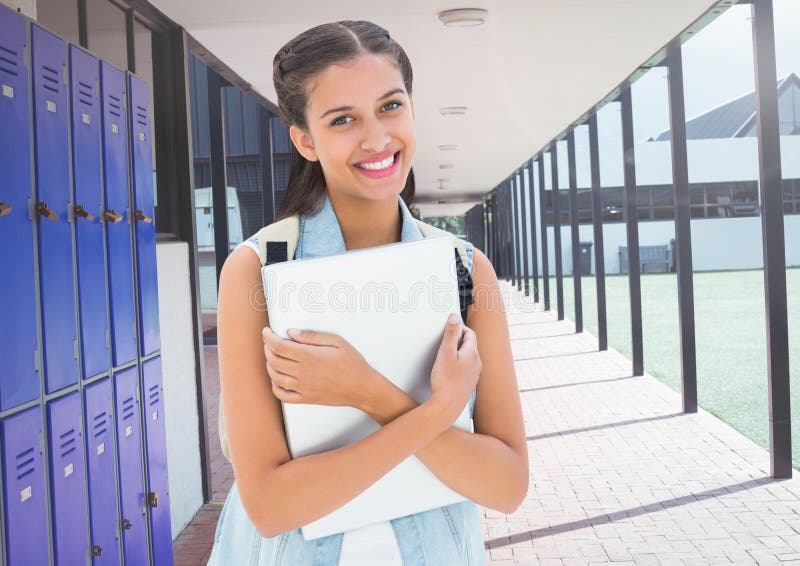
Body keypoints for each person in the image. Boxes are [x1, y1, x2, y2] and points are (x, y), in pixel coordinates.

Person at [209, 20, 528, 565]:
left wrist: (369, 393)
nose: (377, 138)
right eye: (343, 119)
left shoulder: (465, 272)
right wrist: (436, 412)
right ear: (305, 139)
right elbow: (270, 506)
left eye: (390, 106)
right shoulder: (258, 271)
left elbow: (506, 486)